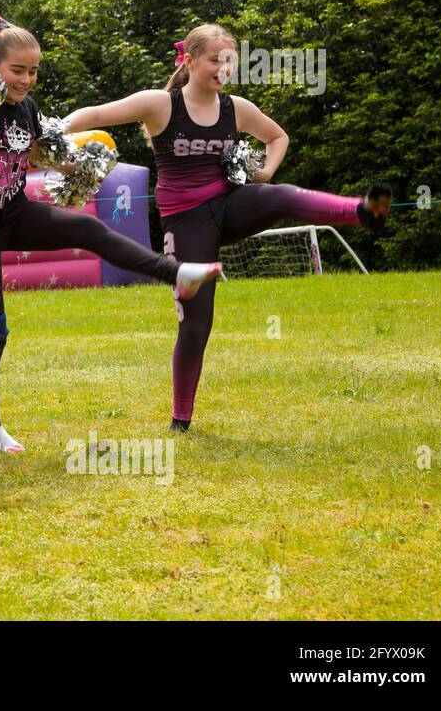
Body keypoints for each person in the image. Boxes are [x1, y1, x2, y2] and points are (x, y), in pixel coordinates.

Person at [0, 15, 222, 454]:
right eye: (17, 70)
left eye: (33, 70)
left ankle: (176, 274)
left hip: (15, 215)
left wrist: (88, 161)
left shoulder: (27, 110)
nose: (26, 79)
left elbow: (44, 156)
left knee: (88, 227)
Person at [63, 22, 391, 431]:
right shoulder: (162, 104)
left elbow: (277, 137)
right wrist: (57, 133)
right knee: (196, 323)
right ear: (189, 60)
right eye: (214, 60)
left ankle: (361, 212)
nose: (223, 68)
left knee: (283, 195)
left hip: (231, 205)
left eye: (229, 61)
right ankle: (181, 419)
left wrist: (265, 172)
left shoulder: (236, 107)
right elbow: (96, 114)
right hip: (186, 224)